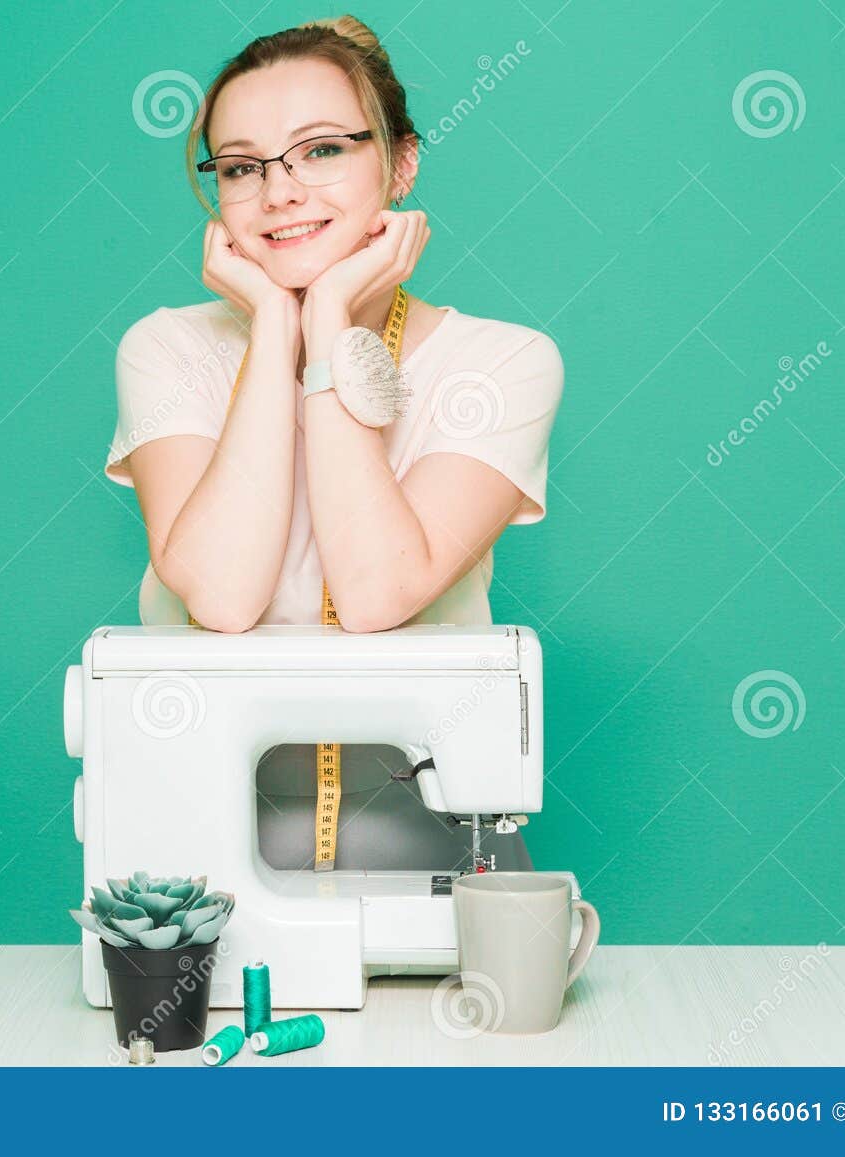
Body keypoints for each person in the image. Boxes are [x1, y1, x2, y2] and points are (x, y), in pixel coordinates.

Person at [103, 15, 564, 873]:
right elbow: (223, 595)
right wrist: (280, 324)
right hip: (194, 855)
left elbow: (376, 591)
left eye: (320, 151)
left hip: (431, 845)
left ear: (400, 164)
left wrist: (327, 323)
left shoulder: (504, 362)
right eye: (241, 167)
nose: (278, 192)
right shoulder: (164, 349)